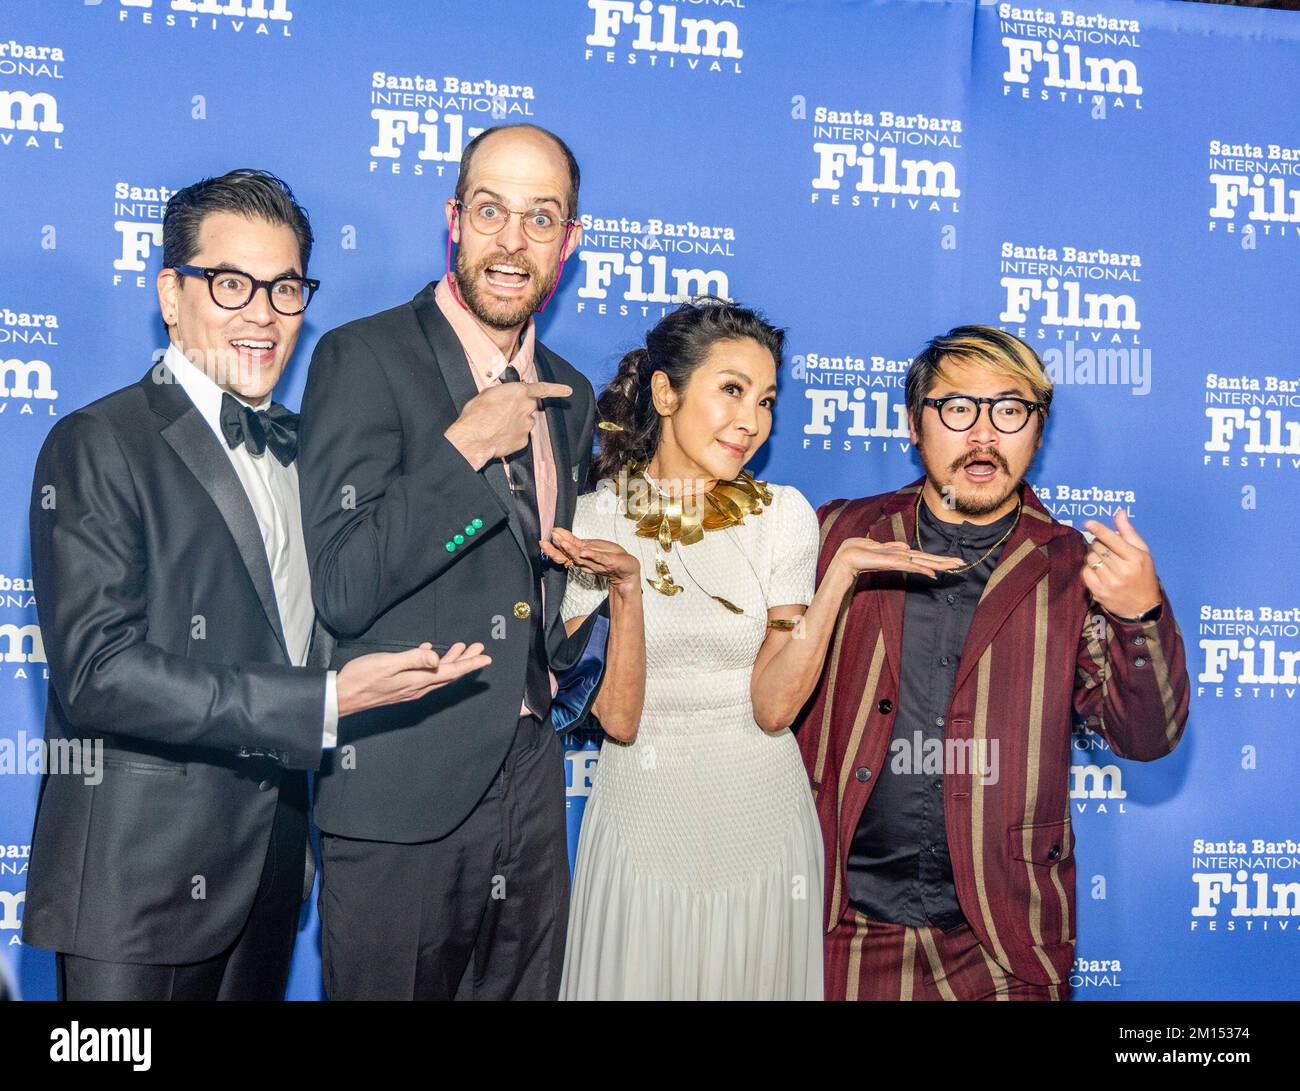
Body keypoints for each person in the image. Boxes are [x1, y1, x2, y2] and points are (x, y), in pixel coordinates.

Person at [23, 169, 489, 1001]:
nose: (263, 314)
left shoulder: (311, 449)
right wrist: (323, 703)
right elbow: (99, 673)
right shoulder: (98, 440)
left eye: (284, 289)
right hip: (134, 892)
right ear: (172, 293)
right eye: (231, 283)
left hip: (272, 879)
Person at [545, 300, 961, 1000]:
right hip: (640, 825)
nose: (752, 420)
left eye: (766, 399)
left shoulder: (783, 517)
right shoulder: (596, 515)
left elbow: (773, 707)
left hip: (764, 827)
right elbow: (617, 720)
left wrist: (840, 578)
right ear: (666, 392)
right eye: (732, 390)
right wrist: (627, 590)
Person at [797, 325, 1190, 1001]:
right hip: (842, 927)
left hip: (1003, 940)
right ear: (914, 425)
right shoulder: (838, 533)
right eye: (957, 408)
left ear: (1037, 431)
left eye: (1009, 410)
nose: (983, 433)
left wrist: (1140, 614)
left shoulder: (1073, 567)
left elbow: (1145, 737)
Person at [296, 124, 595, 1000]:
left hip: (532, 798)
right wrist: (463, 448)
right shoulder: (363, 357)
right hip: (399, 793)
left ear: (569, 243)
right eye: (492, 211)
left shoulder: (568, 396)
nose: (513, 240)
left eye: (542, 218)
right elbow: (345, 587)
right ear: (454, 220)